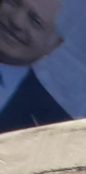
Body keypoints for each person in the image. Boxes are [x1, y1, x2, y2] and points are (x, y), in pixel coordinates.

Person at [0, 0, 67, 133]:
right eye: (13, 3)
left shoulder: (52, 125)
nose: (16, 21)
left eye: (35, 21)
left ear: (54, 44)